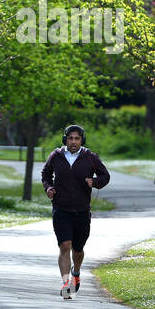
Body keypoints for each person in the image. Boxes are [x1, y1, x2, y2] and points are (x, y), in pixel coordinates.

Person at [40, 124, 111, 299]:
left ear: (82, 140)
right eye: (70, 138)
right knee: (65, 246)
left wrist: (94, 182)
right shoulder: (56, 156)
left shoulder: (90, 157)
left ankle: (76, 273)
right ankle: (65, 283)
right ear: (65, 139)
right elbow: (45, 174)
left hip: (81, 211)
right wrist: (48, 187)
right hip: (60, 209)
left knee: (78, 250)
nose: (73, 142)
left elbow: (105, 176)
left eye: (77, 138)